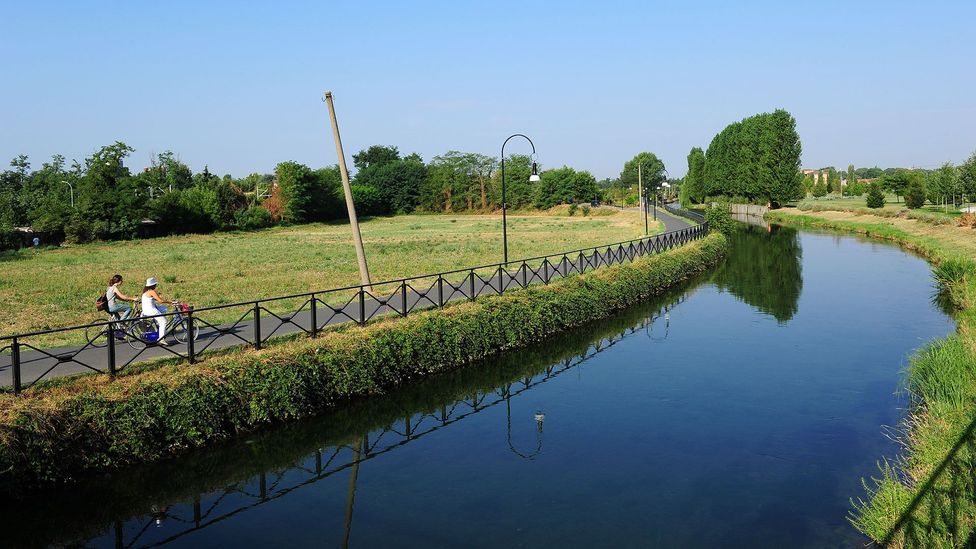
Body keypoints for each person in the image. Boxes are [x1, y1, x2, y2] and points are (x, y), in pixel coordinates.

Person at [142, 277, 174, 345]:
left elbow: (156, 300)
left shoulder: (145, 292)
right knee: (164, 321)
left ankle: (159, 332)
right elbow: (160, 301)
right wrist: (171, 302)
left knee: (163, 309)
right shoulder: (152, 291)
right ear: (153, 285)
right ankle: (161, 338)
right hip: (151, 311)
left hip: (146, 311)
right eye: (155, 284)